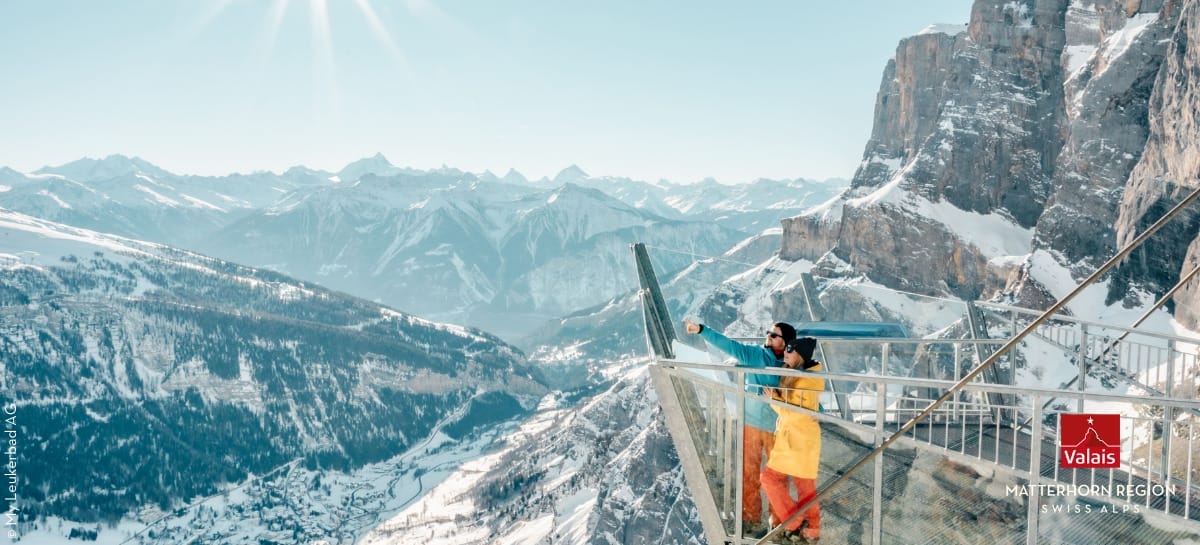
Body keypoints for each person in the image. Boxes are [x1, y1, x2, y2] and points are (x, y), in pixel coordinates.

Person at [683, 319, 795, 536]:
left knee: (778, 477)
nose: (768, 337)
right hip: (751, 423)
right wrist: (702, 330)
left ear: (786, 342)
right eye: (768, 333)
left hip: (779, 427)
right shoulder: (754, 355)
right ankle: (751, 519)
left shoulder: (792, 363)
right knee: (749, 473)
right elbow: (728, 345)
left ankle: (779, 522)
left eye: (774, 335)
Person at [762, 336, 824, 543]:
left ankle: (795, 523)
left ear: (800, 354)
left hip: (798, 439)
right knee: (804, 486)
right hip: (799, 438)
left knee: (771, 479)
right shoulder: (803, 376)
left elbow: (798, 413)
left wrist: (774, 400)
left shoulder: (806, 380)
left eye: (790, 349)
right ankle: (811, 529)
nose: (786, 352)